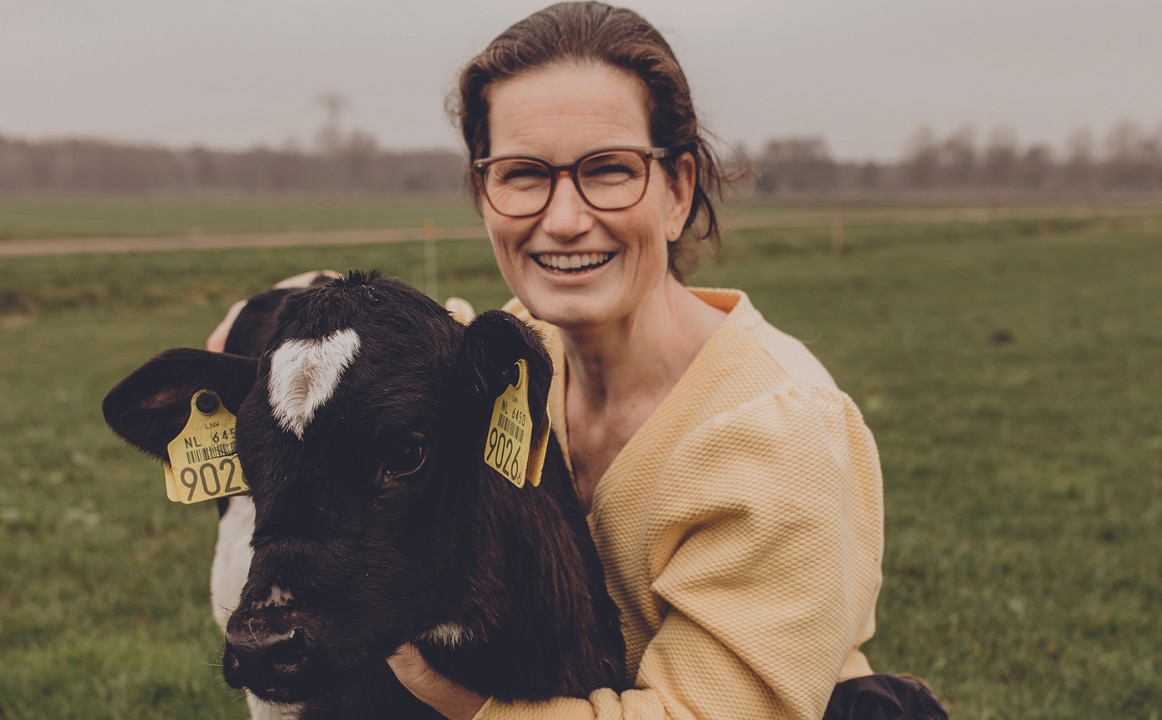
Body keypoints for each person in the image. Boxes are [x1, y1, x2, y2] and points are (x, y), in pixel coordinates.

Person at [211, 3, 943, 718]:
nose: (563, 219)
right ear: (483, 193)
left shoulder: (780, 438)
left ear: (678, 190)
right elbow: (406, 361)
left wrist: (464, 705)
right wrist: (268, 319)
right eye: (524, 173)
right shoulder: (518, 353)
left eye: (610, 169)